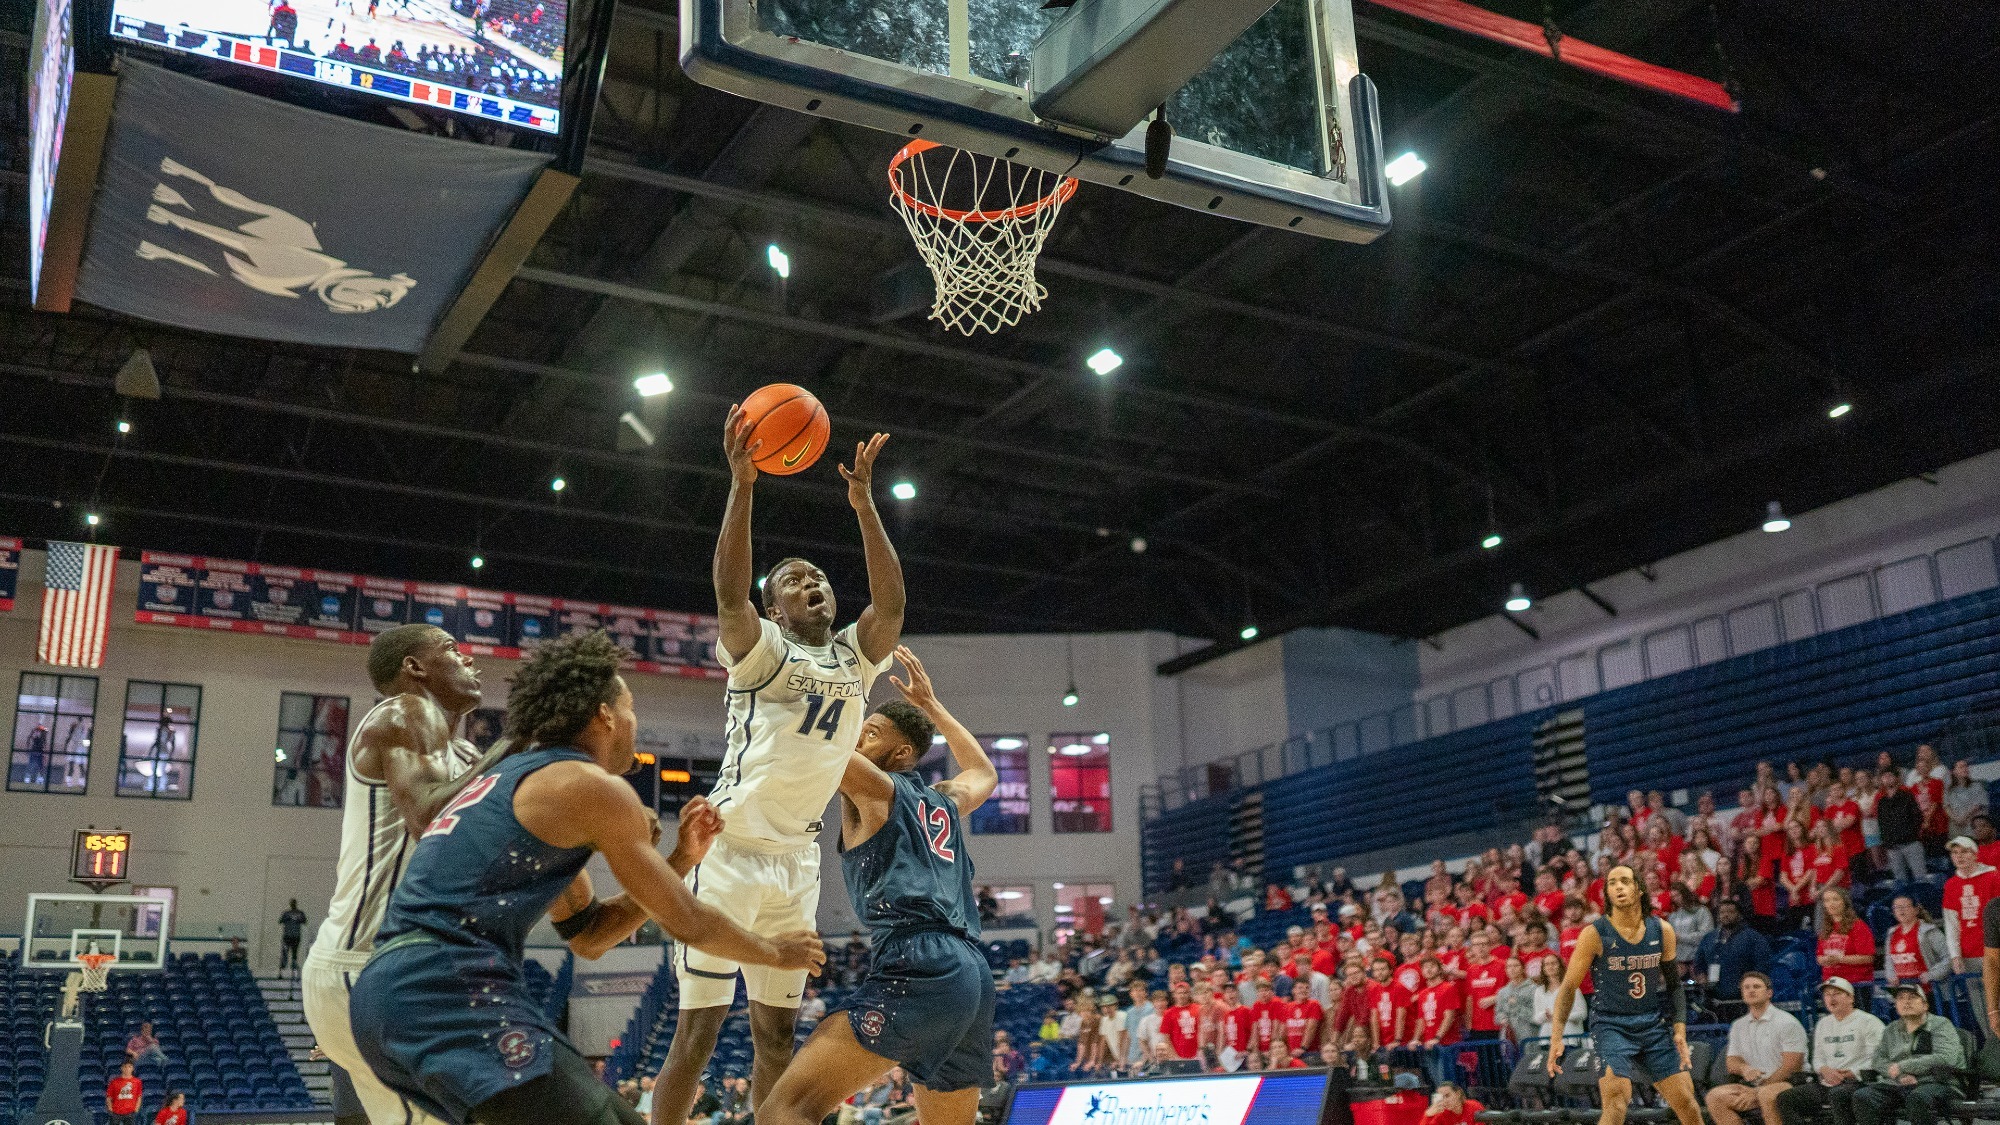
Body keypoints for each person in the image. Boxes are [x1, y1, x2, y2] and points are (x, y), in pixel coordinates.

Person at [349, 630, 824, 1125]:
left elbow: (590, 937)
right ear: (605, 715)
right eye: (630, 709)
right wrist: (776, 952)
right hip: (443, 987)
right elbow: (687, 922)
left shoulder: (518, 782)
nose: (635, 724)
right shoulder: (587, 784)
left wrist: (682, 858)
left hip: (391, 996)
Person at [653, 414, 904, 1125]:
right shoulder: (762, 649)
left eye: (818, 576)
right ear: (776, 609)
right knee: (698, 1036)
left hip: (797, 861)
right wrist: (742, 486)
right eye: (795, 581)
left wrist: (864, 507)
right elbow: (729, 595)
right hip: (728, 851)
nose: (812, 583)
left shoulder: (855, 656)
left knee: (776, 1038)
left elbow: (891, 604)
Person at [754, 646, 997, 1125]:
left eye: (870, 732)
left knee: (784, 1110)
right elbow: (984, 772)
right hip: (971, 974)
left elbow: (814, 738)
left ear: (901, 753)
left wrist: (782, 669)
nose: (857, 735)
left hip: (919, 962)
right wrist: (932, 706)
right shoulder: (942, 801)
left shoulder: (878, 788)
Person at [304, 623, 497, 1125]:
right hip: (366, 962)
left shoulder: (466, 756)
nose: (470, 659)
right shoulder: (404, 712)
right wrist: (517, 745)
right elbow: (429, 821)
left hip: (409, 968)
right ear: (415, 667)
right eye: (452, 649)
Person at [1548, 865, 1702, 1125]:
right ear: (1607, 893)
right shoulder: (1594, 933)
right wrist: (1556, 1037)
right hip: (1611, 1025)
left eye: (1625, 881)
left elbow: (1675, 986)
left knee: (1688, 1104)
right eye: (1612, 883)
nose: (1618, 886)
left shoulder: (1662, 930)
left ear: (1639, 889)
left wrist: (1679, 1028)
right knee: (1617, 1101)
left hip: (1652, 1024)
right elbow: (1568, 987)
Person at [1830, 982, 1963, 1125]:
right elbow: (1878, 1060)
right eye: (1901, 998)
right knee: (1863, 1096)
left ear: (1925, 1005)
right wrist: (1900, 1076)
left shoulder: (1941, 1025)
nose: (1906, 1002)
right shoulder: (1891, 1029)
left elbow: (1945, 1058)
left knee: (1917, 1097)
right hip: (1898, 1084)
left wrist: (1902, 1067)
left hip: (1937, 1082)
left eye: (1912, 997)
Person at [1772, 978, 1882, 1125]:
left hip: (1860, 1082)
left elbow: (1877, 1058)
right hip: (1828, 1082)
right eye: (1827, 994)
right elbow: (1817, 1059)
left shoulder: (1869, 1022)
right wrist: (1824, 1070)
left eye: (1837, 993)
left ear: (1851, 998)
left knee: (1838, 1094)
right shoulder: (1823, 1024)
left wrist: (1852, 1073)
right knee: (1786, 1099)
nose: (1831, 998)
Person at [1707, 972, 1808, 1125]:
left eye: (1756, 986)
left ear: (1769, 993)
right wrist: (1744, 1069)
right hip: (1754, 1085)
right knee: (1715, 1096)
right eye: (1746, 987)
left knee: (1766, 1095)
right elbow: (1732, 1062)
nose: (1751, 990)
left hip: (1790, 1082)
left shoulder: (1787, 1023)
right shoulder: (1738, 1025)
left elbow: (1791, 1067)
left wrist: (1759, 1090)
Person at [1944, 835, 2000, 1041]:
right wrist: (1955, 955)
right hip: (1969, 955)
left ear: (1975, 854)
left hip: (1993, 951)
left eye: (1964, 852)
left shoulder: (1993, 877)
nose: (1959, 856)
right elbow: (1951, 923)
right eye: (1955, 852)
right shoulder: (1951, 884)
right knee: (1980, 1007)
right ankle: (1993, 1048)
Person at [1697, 900, 1775, 1013]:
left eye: (1730, 912)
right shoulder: (1709, 938)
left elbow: (1762, 965)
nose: (1725, 915)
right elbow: (1699, 962)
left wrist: (1750, 984)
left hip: (1742, 999)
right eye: (1722, 912)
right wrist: (1701, 976)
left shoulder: (1753, 937)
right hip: (1714, 997)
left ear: (1739, 915)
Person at [1816, 888, 1877, 1001]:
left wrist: (1839, 959)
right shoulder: (1824, 929)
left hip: (1856, 984)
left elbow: (1868, 958)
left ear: (1845, 902)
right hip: (1831, 984)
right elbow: (1819, 957)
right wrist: (1824, 960)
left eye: (1835, 899)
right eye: (1827, 900)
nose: (1831, 903)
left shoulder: (1858, 926)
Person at [1885, 896, 1949, 994]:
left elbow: (1948, 957)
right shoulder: (1892, 933)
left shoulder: (1929, 931)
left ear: (1916, 910)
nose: (1901, 910)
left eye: (1905, 906)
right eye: (1896, 907)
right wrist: (1891, 975)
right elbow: (1889, 961)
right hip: (1904, 993)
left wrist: (1932, 975)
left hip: (1931, 991)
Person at [1876, 770, 1925, 883]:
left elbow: (1918, 817)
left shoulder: (1907, 795)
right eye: (1884, 776)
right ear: (1881, 780)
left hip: (1911, 843)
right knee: (1899, 881)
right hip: (1892, 847)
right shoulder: (1882, 801)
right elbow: (1882, 824)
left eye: (1890, 775)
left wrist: (1911, 834)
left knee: (1920, 878)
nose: (1887, 778)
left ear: (1896, 778)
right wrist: (1887, 842)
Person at [107, 1060, 143, 1125]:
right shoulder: (114, 1082)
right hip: (116, 1112)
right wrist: (110, 1109)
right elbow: (109, 1097)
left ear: (133, 1068)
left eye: (129, 1066)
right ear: (121, 1068)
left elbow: (139, 1097)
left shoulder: (137, 1082)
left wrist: (136, 1110)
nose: (127, 1069)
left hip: (130, 1112)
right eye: (125, 1067)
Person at [280, 899, 308, 972]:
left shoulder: (296, 913)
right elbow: (280, 921)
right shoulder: (289, 913)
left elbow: (304, 921)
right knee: (287, 951)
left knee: (293, 952)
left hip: (293, 935)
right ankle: (285, 965)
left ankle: (291, 964)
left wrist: (296, 919)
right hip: (290, 935)